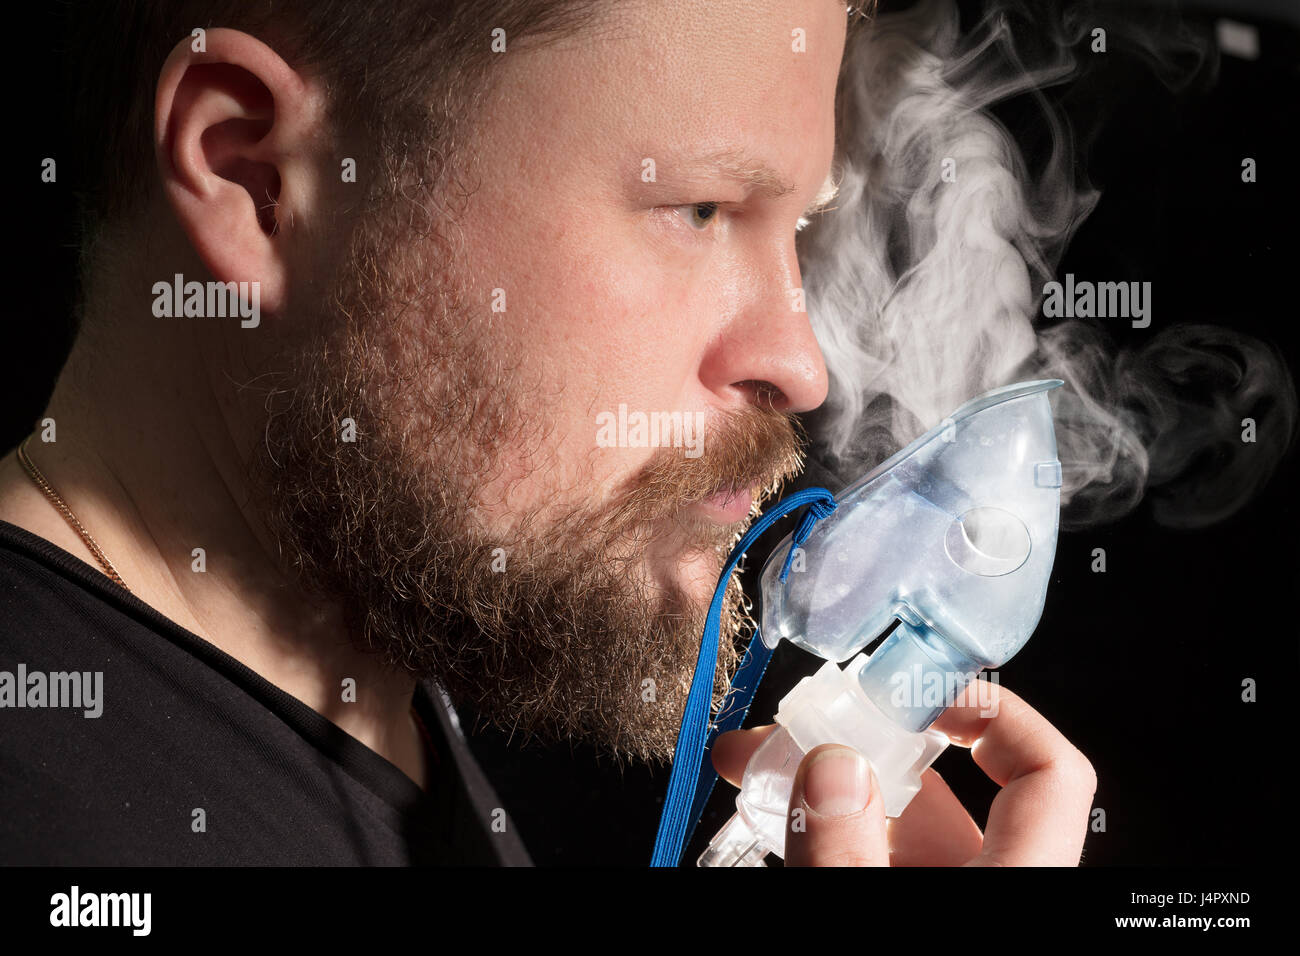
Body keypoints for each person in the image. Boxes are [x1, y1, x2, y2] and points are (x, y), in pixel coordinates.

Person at [0, 0, 1093, 865]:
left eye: (799, 226)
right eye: (701, 209)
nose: (800, 367)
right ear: (256, 178)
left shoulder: (376, 715)